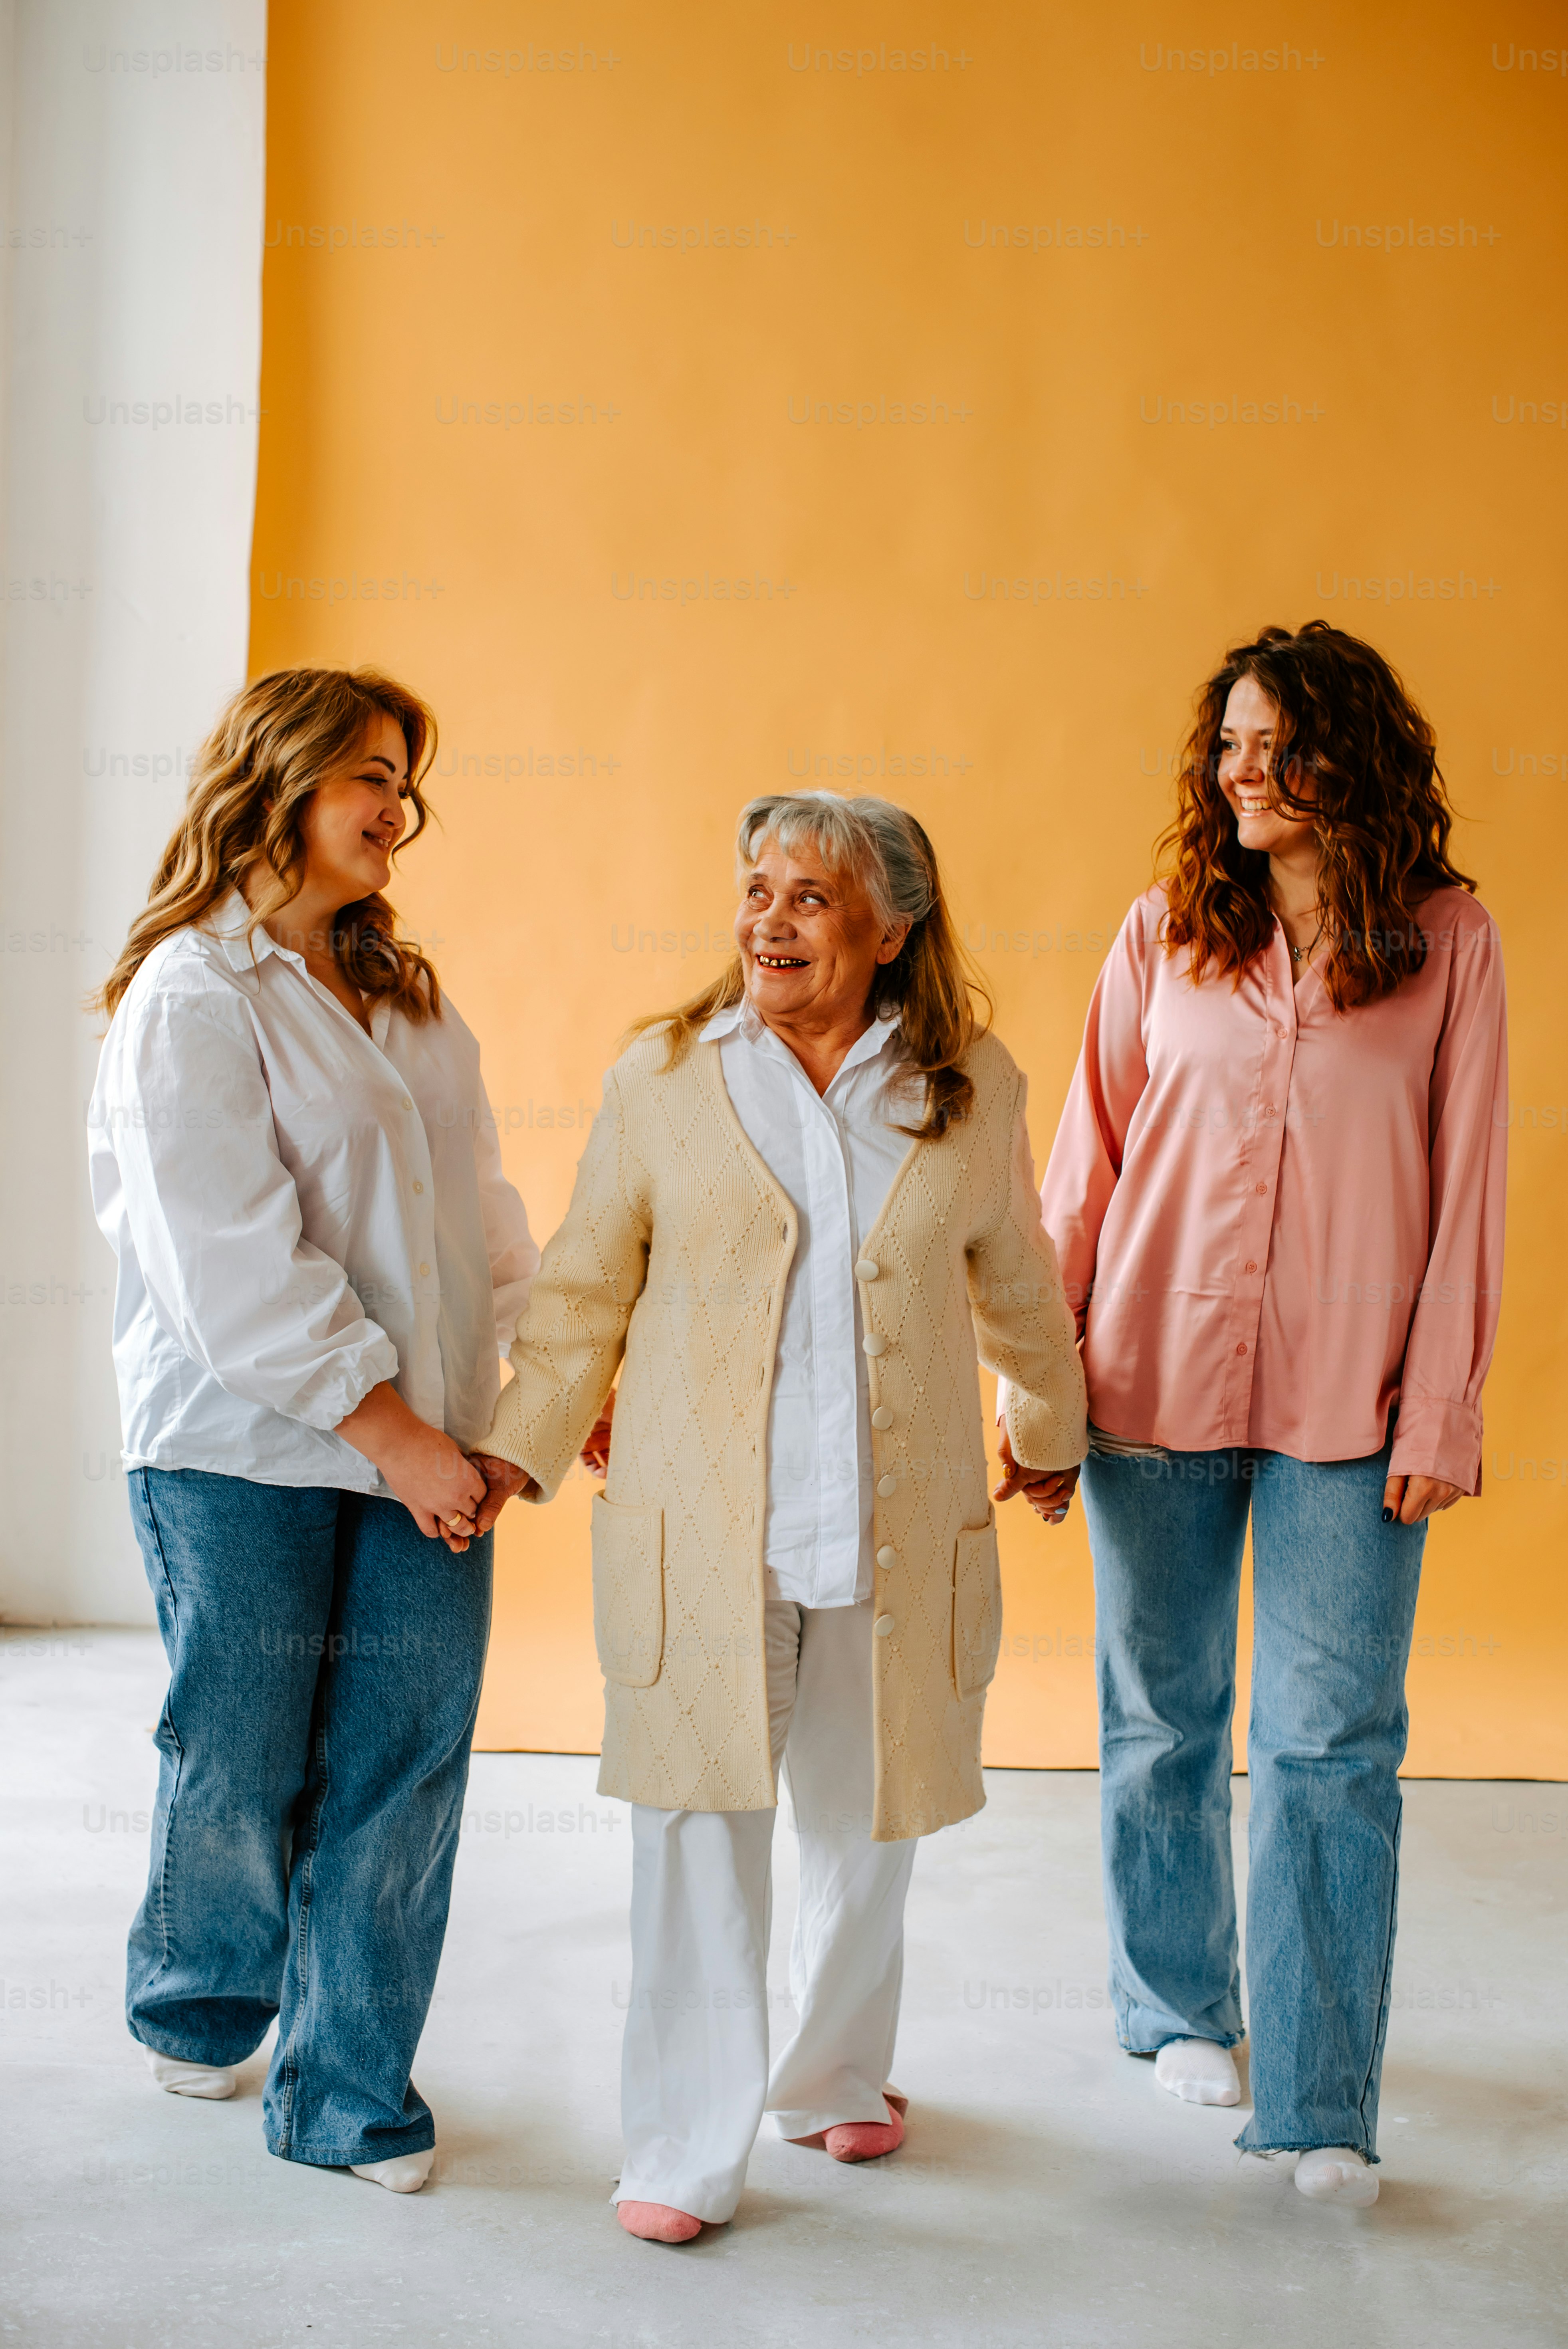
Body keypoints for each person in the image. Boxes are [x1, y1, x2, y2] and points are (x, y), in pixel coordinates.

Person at [470, 792, 1086, 2240]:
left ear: (891, 927)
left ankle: (832, 2075)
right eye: (757, 890)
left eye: (810, 897)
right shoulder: (665, 1076)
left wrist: (1048, 1433)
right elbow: (580, 1291)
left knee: (873, 1822)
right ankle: (681, 2147)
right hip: (705, 1530)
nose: (770, 919)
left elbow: (1017, 1276)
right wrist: (516, 1451)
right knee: (693, 1826)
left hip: (900, 1514)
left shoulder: (968, 1084)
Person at [1023, 622, 1507, 2205]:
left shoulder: (1449, 941)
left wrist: (1441, 1406)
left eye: (1271, 745)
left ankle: (1315, 2100)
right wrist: (1039, 1390)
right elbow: (1082, 1169)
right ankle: (1175, 2006)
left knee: (1330, 1749)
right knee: (1160, 1720)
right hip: (1145, 1386)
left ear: (1345, 758)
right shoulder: (1166, 929)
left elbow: (1469, 1190)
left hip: (1351, 1409)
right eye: (1225, 744)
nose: (1239, 773)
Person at [89, 666, 538, 2192]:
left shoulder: (408, 996)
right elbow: (233, 1263)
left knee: (405, 1757)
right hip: (241, 1446)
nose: (398, 806)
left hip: (429, 1443)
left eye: (407, 778)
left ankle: (347, 2086)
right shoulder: (189, 995)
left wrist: (520, 1400)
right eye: (370, 773)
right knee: (244, 1744)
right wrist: (394, 1431)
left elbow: (484, 1217)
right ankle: (206, 1994)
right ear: (277, 777)